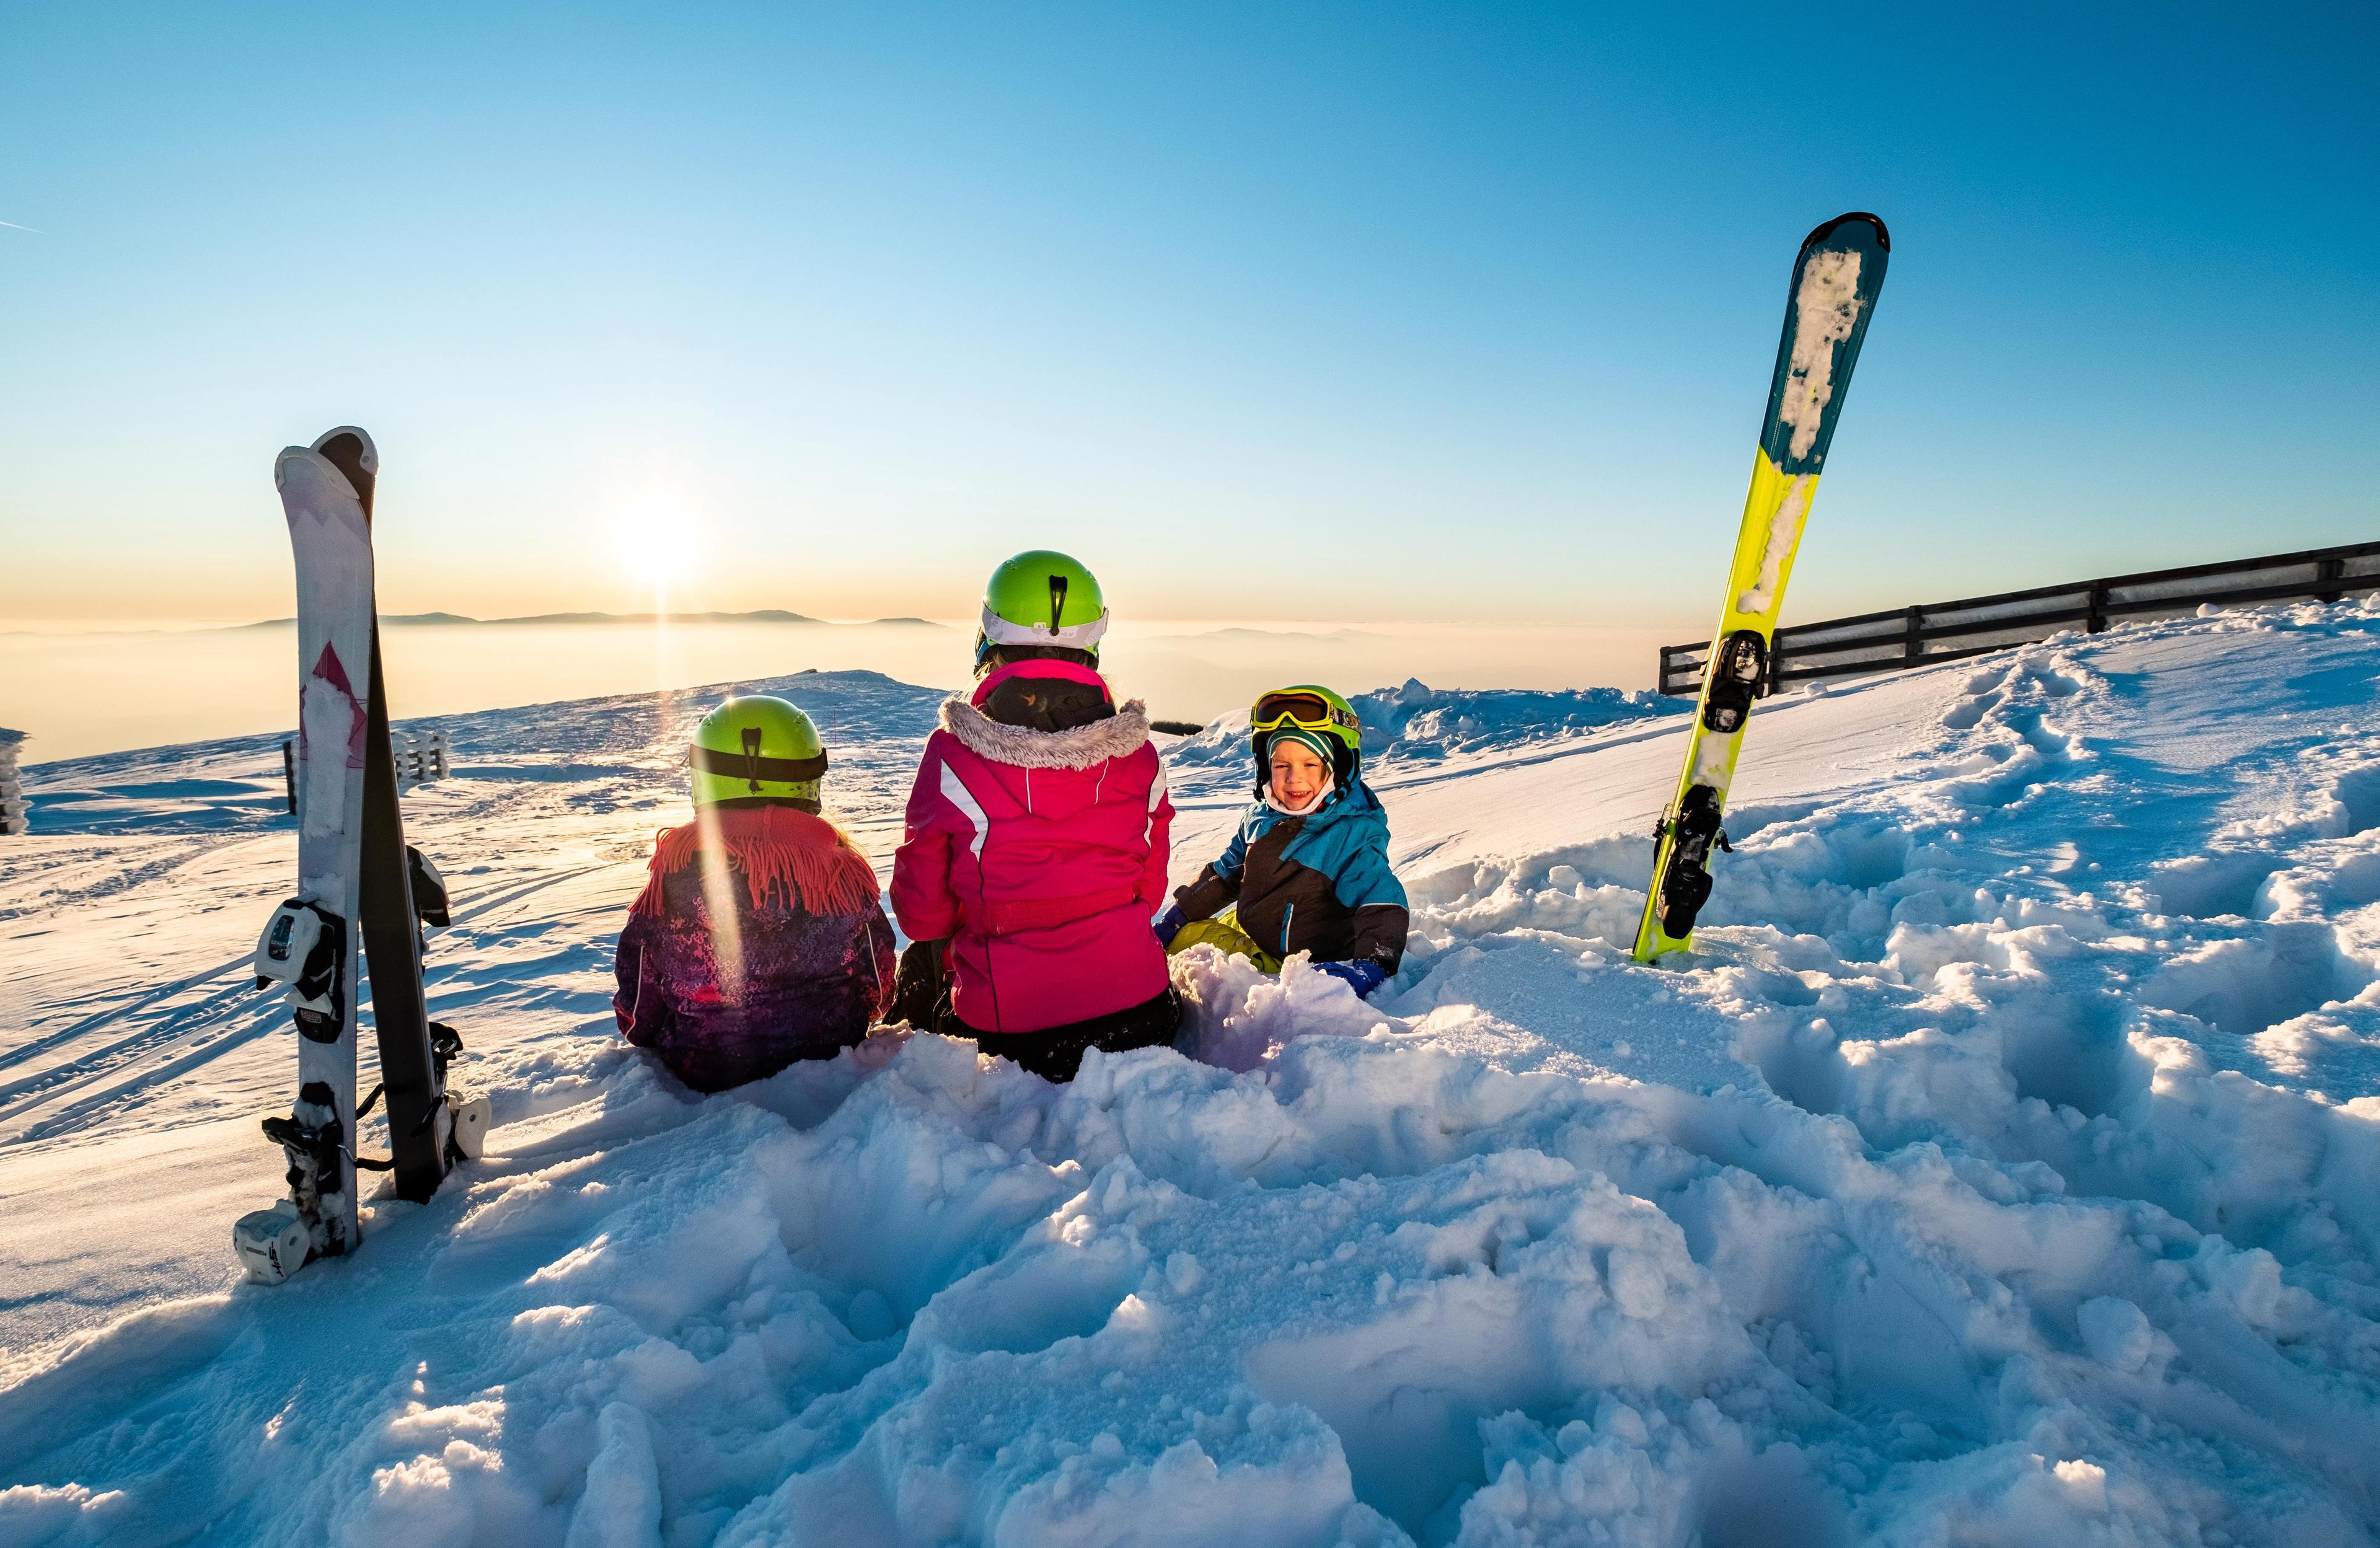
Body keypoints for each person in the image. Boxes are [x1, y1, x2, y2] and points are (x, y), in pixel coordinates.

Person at [889, 550, 1179, 1080]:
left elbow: (921, 914)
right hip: (1142, 1013)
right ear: (1092, 645)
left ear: (989, 638)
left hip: (1010, 1030)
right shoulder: (1140, 755)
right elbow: (1150, 889)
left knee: (924, 966)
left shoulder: (952, 755)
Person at [614, 695, 895, 1091]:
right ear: (808, 780)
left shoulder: (673, 874)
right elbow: (878, 985)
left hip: (703, 1069)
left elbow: (639, 997)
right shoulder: (842, 876)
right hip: (829, 1060)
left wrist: (645, 1034)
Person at [1156, 684, 1408, 999]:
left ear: (1340, 769)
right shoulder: (1261, 817)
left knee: (1188, 940)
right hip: (1264, 921)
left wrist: (1372, 965)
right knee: (1190, 924)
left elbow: (1382, 901)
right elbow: (1226, 873)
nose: (1293, 778)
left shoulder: (1349, 835)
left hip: (1299, 957)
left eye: (1310, 764)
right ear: (1265, 768)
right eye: (1281, 765)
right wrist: (1177, 915)